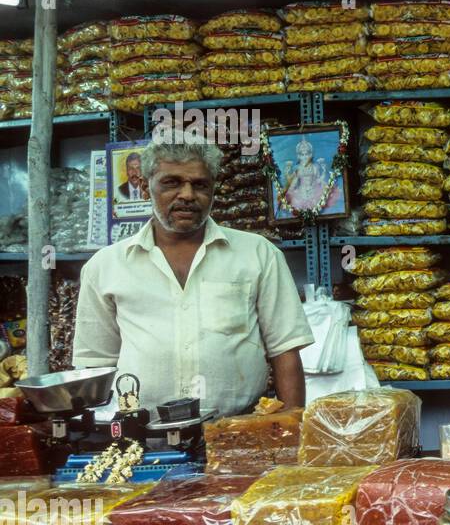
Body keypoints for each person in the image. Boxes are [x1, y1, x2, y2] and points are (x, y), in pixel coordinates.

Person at [73, 133, 314, 418]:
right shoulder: (105, 266)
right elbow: (95, 363)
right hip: (140, 431)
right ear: (143, 187)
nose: (187, 195)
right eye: (171, 182)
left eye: (199, 185)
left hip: (240, 427)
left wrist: (291, 428)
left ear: (213, 191)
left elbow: (285, 351)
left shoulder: (259, 254)